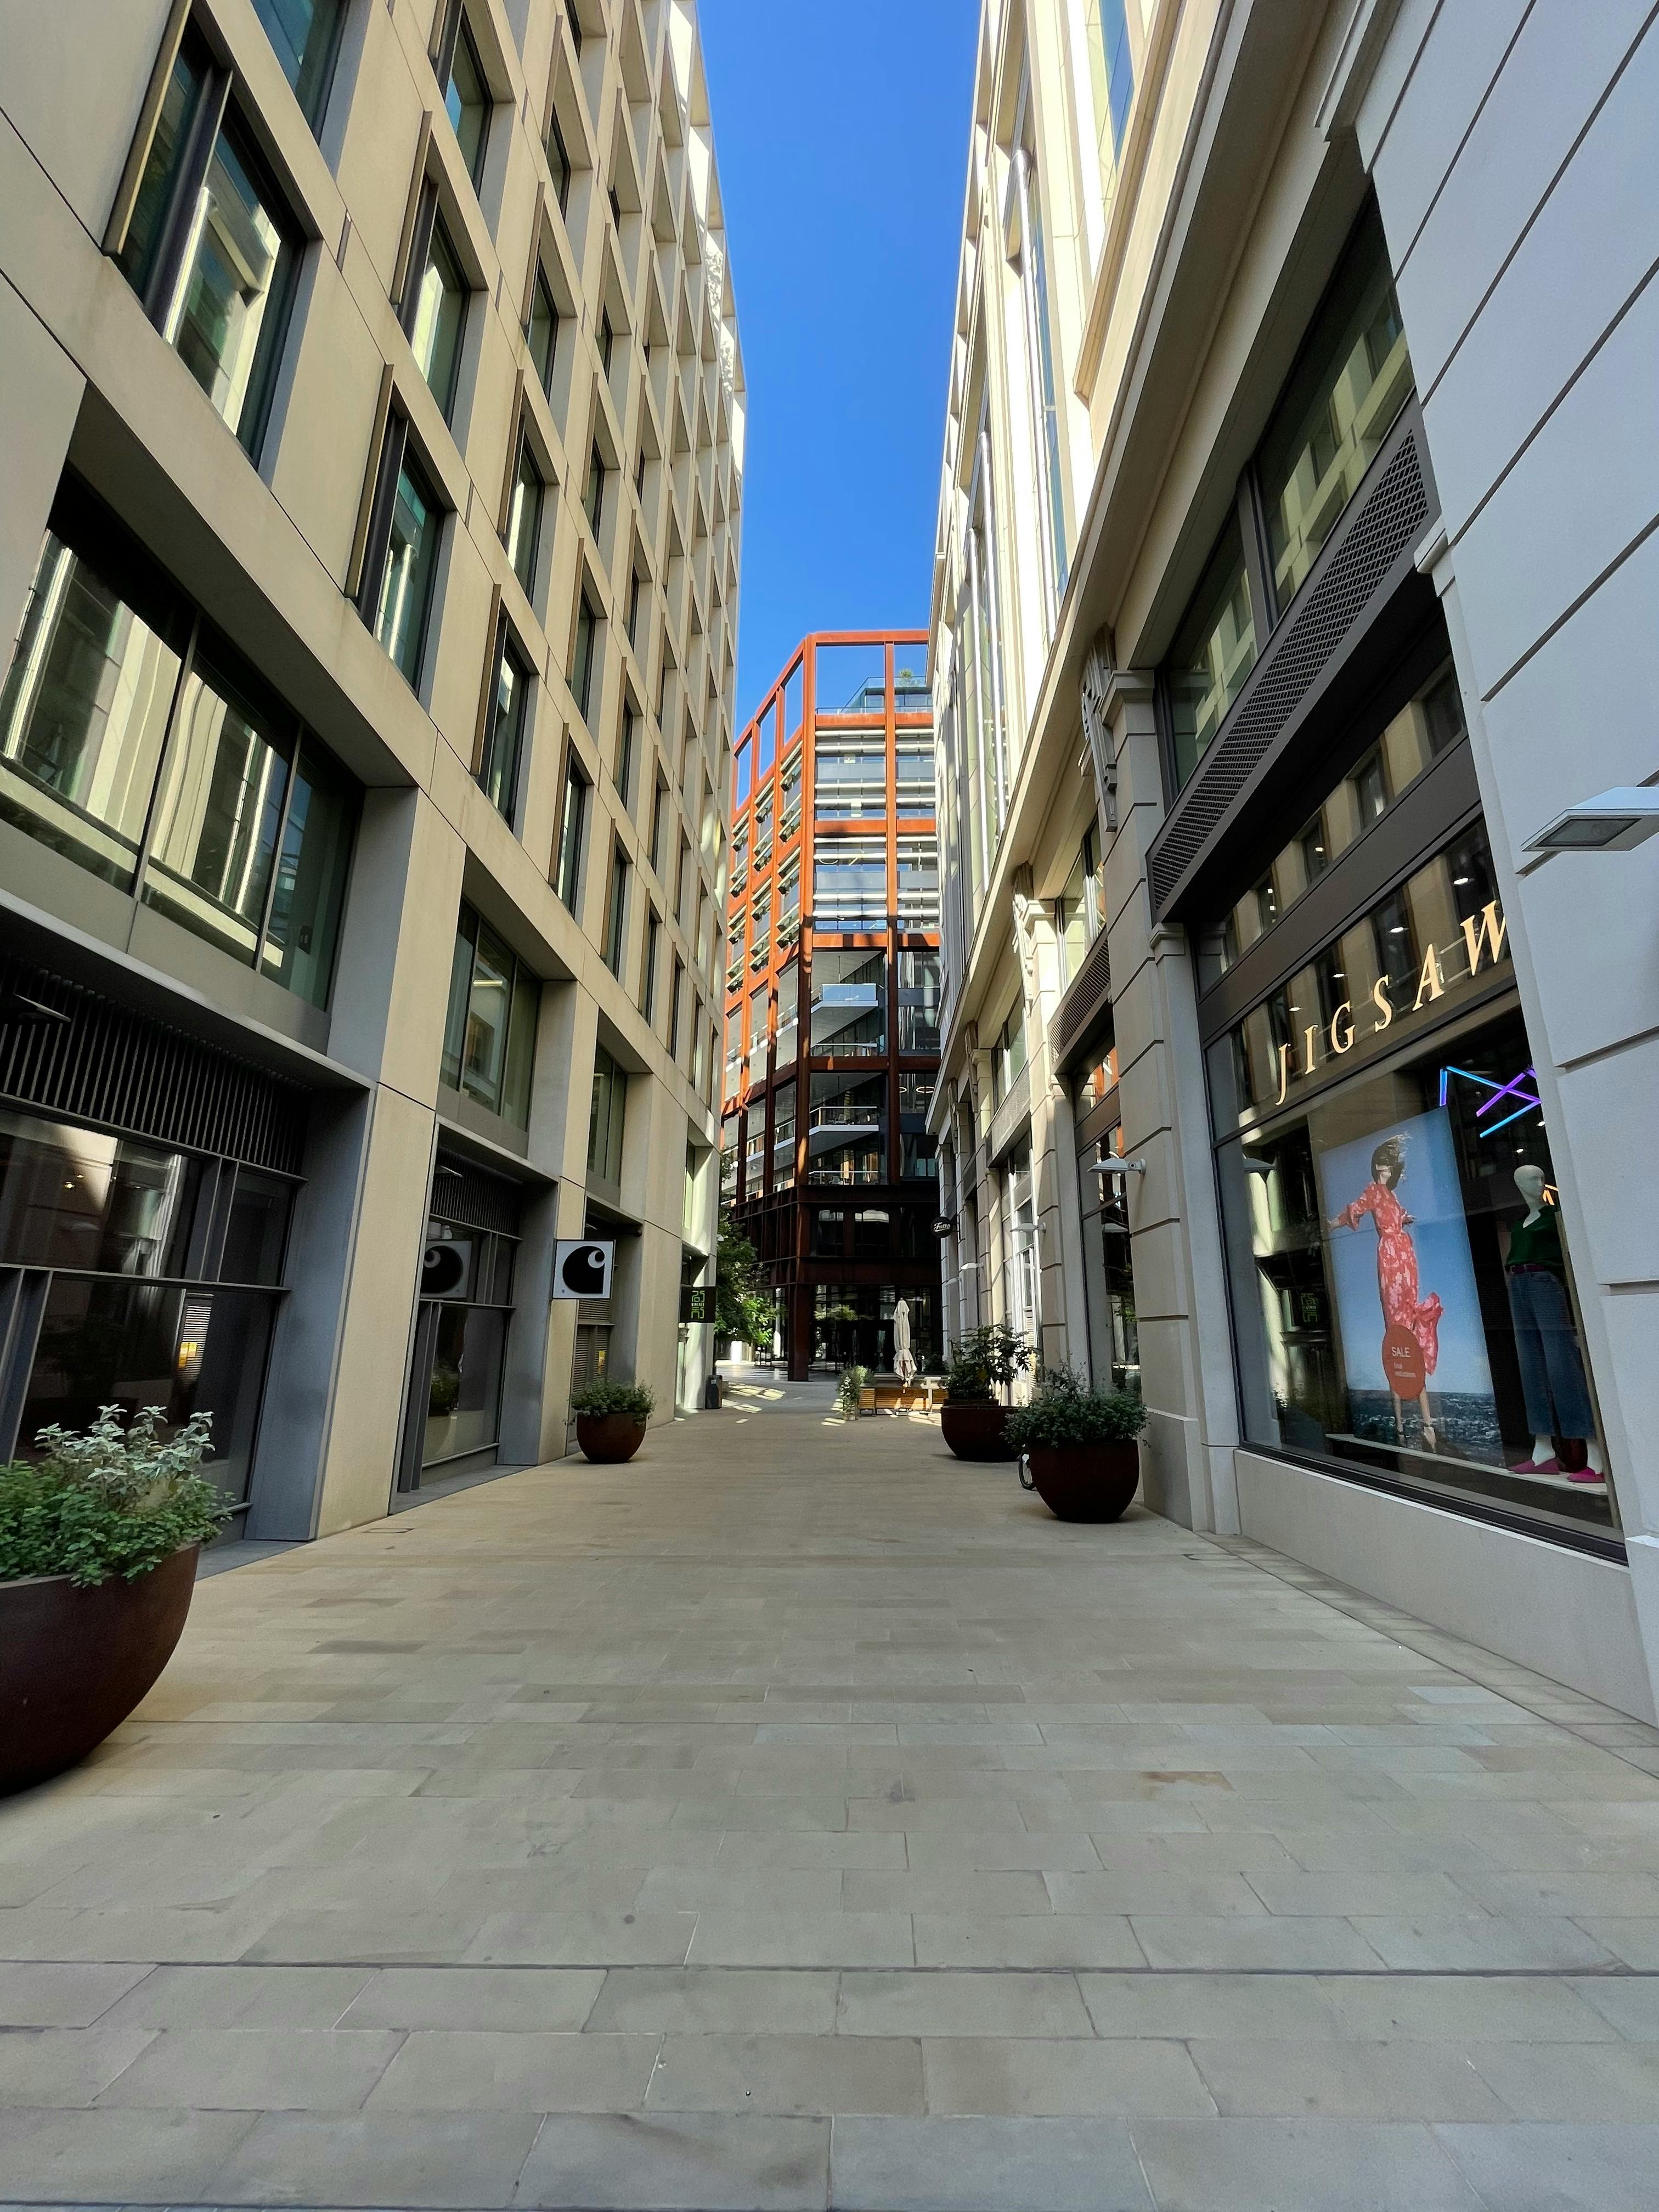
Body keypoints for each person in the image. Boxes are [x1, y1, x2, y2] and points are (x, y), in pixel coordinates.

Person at [1329, 1133, 1443, 1453]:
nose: (1383, 1167)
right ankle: (1406, 1424)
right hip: (1391, 1256)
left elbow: (1390, 1216)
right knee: (1397, 1327)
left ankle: (1422, 1423)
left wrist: (1404, 1220)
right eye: (1380, 1162)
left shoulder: (1391, 1197)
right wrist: (1329, 1226)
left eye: (1388, 1162)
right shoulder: (1374, 1192)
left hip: (1404, 1253)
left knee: (1406, 1319)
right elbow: (1355, 1209)